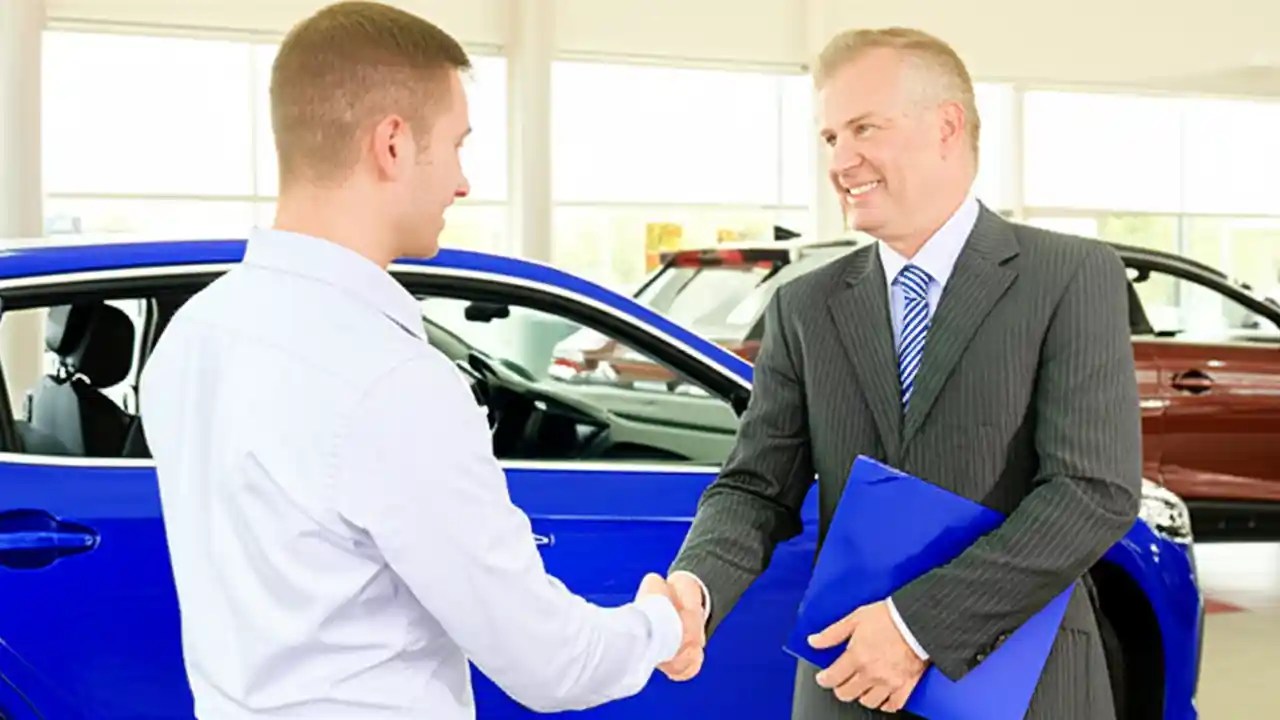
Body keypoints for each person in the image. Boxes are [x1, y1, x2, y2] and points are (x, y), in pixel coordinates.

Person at [139, 2, 700, 717]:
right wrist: (658, 625)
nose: (462, 183)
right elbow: (552, 665)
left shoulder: (194, 336)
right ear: (394, 145)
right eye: (458, 146)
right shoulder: (392, 383)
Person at [658, 27, 1142, 719]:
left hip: (1018, 676)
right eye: (830, 138)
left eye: (864, 128)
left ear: (947, 126)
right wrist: (695, 588)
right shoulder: (806, 304)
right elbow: (757, 487)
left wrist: (916, 625)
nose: (842, 159)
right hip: (848, 678)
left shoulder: (1069, 276)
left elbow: (1092, 490)